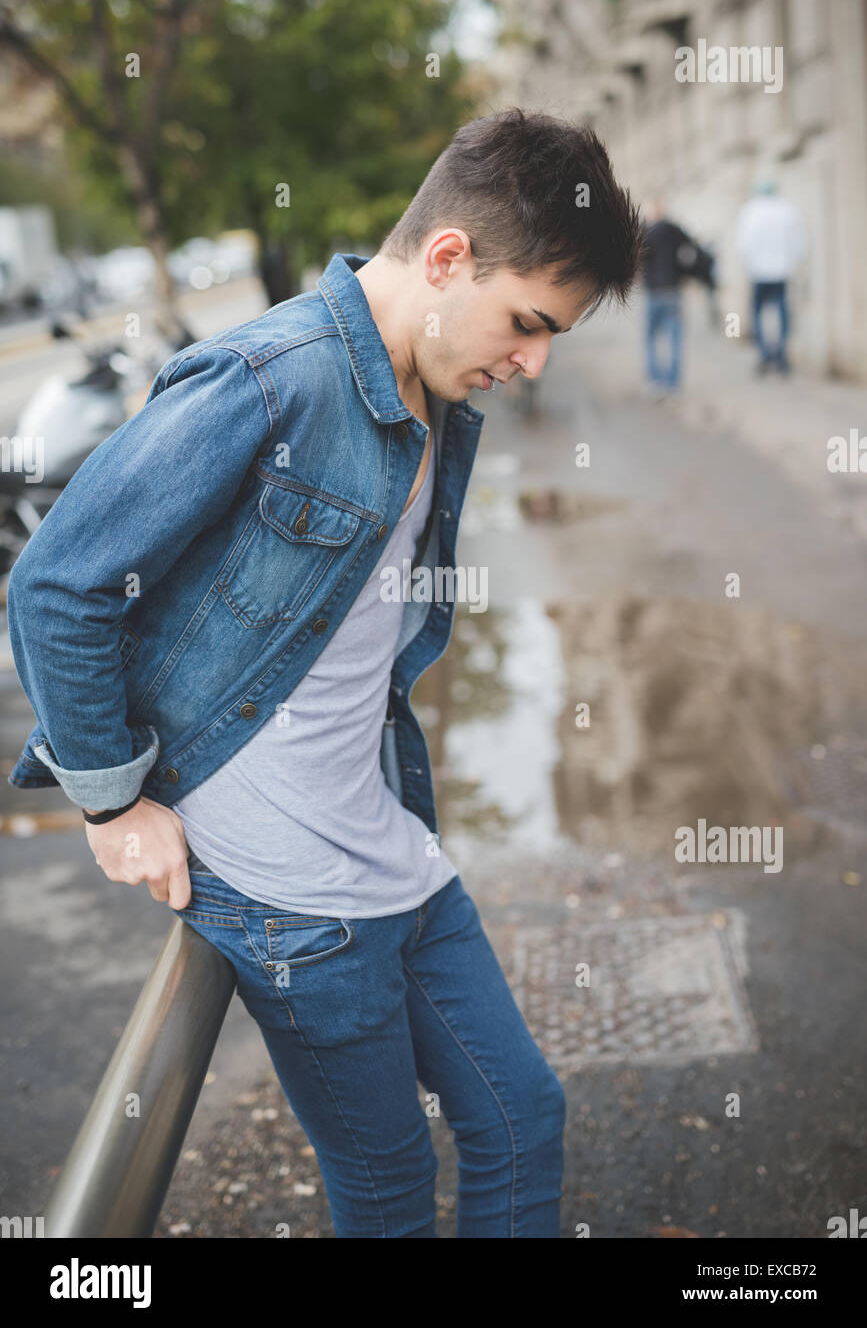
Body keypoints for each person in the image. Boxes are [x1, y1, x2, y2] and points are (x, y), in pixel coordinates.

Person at [6, 109, 642, 1238]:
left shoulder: (437, 397)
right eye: (529, 323)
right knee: (388, 1190)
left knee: (519, 1116)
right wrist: (112, 798)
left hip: (390, 842)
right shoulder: (273, 377)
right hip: (292, 903)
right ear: (447, 258)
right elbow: (56, 580)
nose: (534, 363)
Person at [736, 179, 806, 374]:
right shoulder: (788, 210)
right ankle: (782, 354)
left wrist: (748, 265)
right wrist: (794, 263)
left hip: (758, 271)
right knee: (782, 313)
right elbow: (798, 242)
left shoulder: (750, 211)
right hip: (782, 270)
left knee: (758, 313)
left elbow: (743, 244)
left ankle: (764, 355)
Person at [640, 199, 707, 400]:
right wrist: (688, 273)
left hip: (653, 291)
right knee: (674, 338)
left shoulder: (646, 232)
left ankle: (655, 382)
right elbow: (695, 250)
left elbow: (637, 260)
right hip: (673, 290)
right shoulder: (675, 230)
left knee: (651, 338)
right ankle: (673, 385)